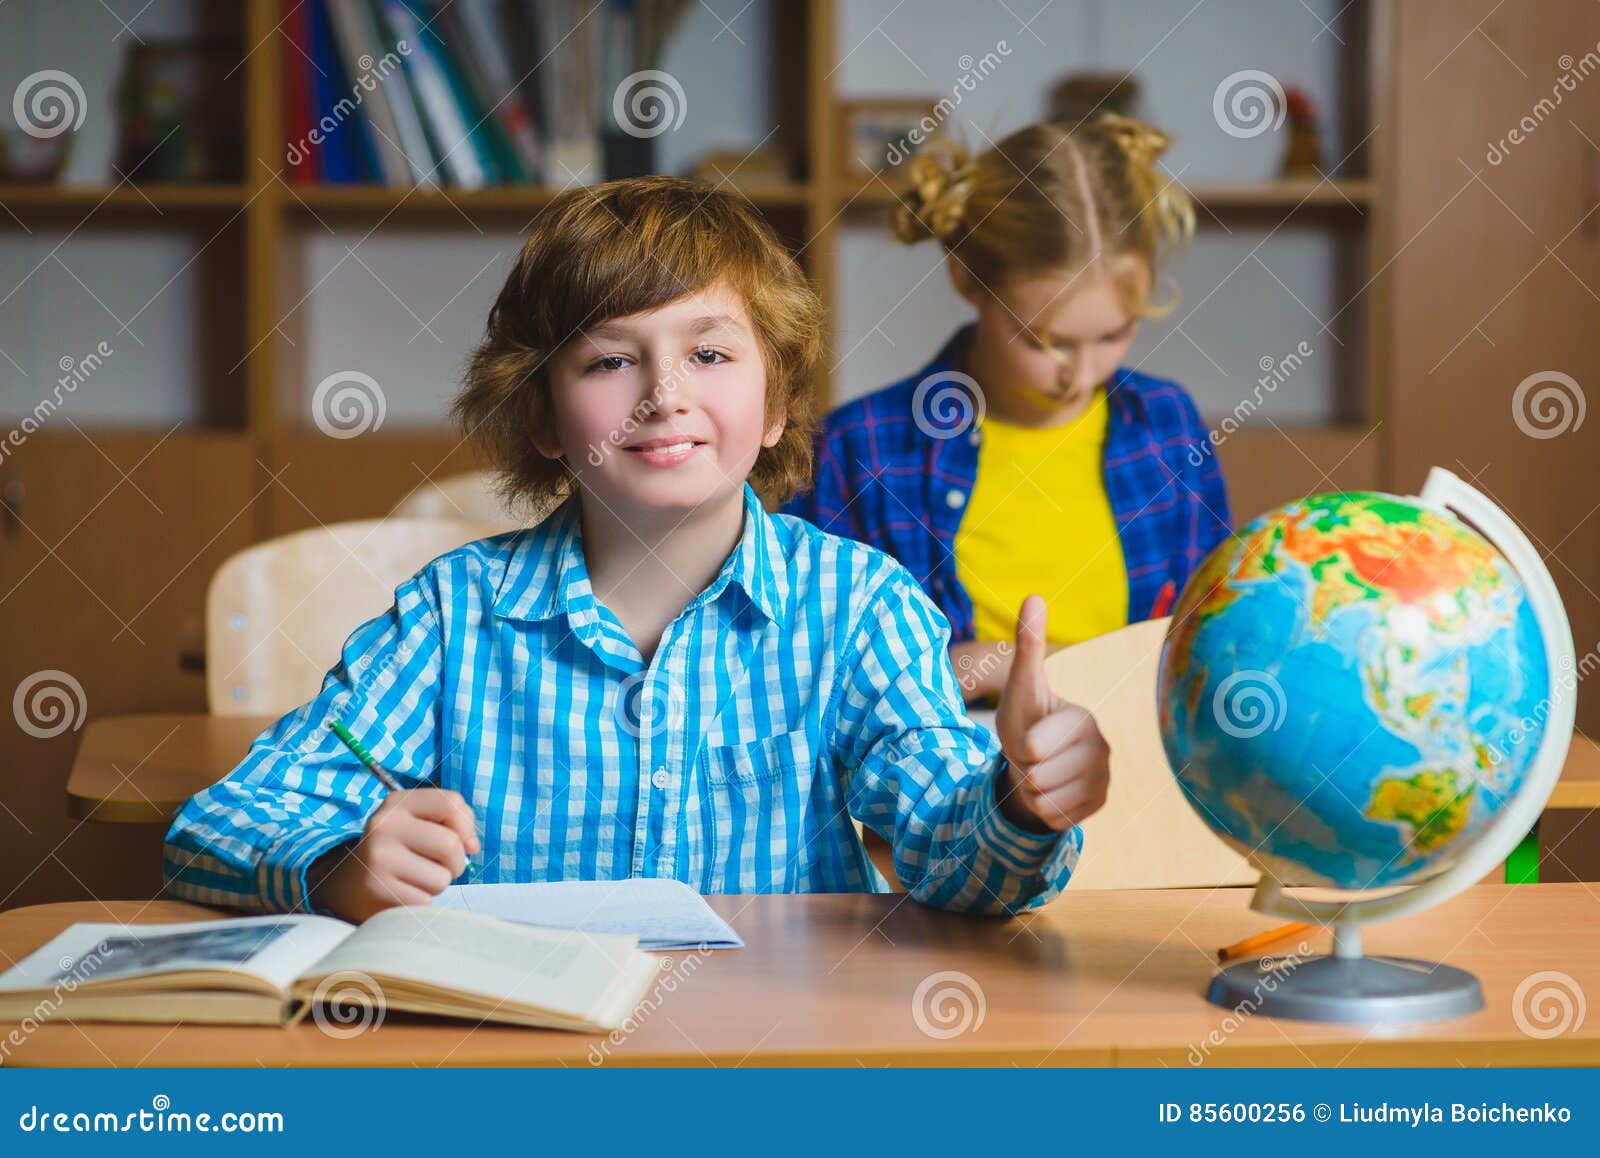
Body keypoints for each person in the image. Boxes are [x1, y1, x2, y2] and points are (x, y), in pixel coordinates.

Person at [163, 176, 1111, 922]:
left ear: (777, 401)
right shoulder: (454, 616)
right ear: (540, 416)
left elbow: (957, 860)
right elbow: (214, 828)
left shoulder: (858, 607)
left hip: (779, 1062)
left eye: (709, 353)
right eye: (611, 360)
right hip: (519, 1072)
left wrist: (1022, 804)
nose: (664, 394)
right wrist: (338, 868)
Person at [785, 115, 1231, 705]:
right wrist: (969, 668)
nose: (1080, 374)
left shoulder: (1168, 426)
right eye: (1043, 341)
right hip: (944, 776)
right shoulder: (858, 449)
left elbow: (1212, 638)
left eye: (1114, 336)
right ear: (967, 278)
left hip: (1142, 760)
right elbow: (803, 677)